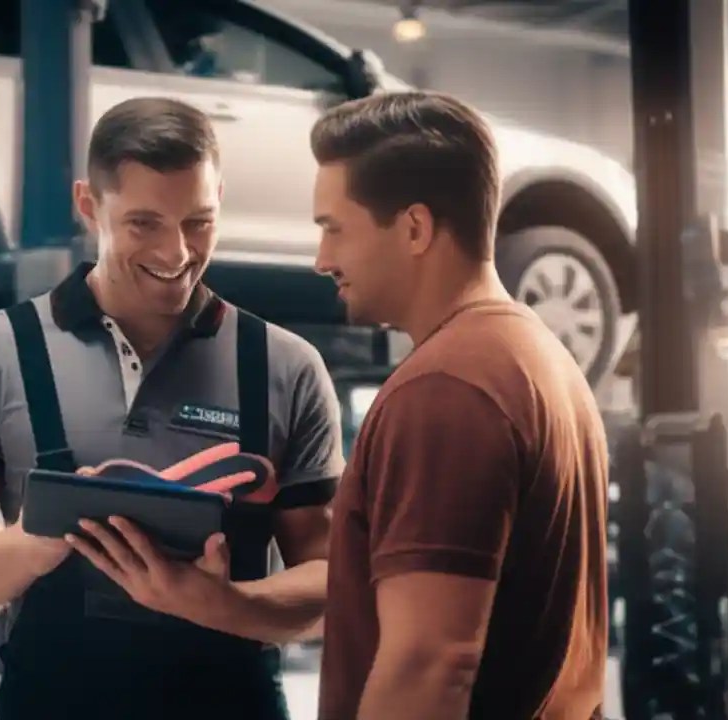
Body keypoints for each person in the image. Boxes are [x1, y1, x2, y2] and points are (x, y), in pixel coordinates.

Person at [0, 96, 344, 719]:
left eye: (198, 222)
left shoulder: (284, 366)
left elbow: (333, 584)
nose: (176, 253)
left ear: (220, 199)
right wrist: (40, 542)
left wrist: (221, 605)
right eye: (144, 224)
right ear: (89, 205)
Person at [310, 90, 609, 720]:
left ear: (414, 228)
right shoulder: (542, 360)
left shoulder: (446, 388)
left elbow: (430, 665)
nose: (322, 260)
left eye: (334, 229)